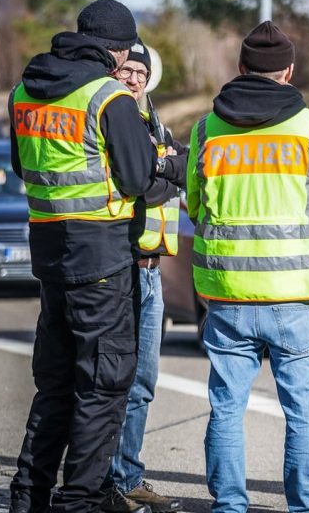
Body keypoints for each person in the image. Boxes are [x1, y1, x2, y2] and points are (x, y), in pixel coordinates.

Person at [187, 21, 309, 513]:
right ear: (289, 72)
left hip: (227, 294)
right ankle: (306, 506)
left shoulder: (206, 130)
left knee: (225, 407)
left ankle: (229, 505)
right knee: (303, 411)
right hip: (297, 295)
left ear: (240, 70)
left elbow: (194, 206)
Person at [8, 0, 158, 513]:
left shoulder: (24, 91)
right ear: (118, 51)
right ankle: (81, 501)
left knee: (54, 384)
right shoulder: (108, 96)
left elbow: (22, 166)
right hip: (101, 259)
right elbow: (138, 179)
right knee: (102, 384)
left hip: (48, 257)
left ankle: (28, 498)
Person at [100, 39, 185, 513]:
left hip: (152, 270)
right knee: (114, 379)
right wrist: (167, 170)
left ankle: (128, 477)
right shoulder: (113, 118)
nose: (132, 77)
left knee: (144, 381)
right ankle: (103, 480)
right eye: (126, 69)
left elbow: (176, 172)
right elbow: (144, 183)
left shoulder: (157, 124)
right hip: (121, 265)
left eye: (140, 71)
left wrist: (168, 169)